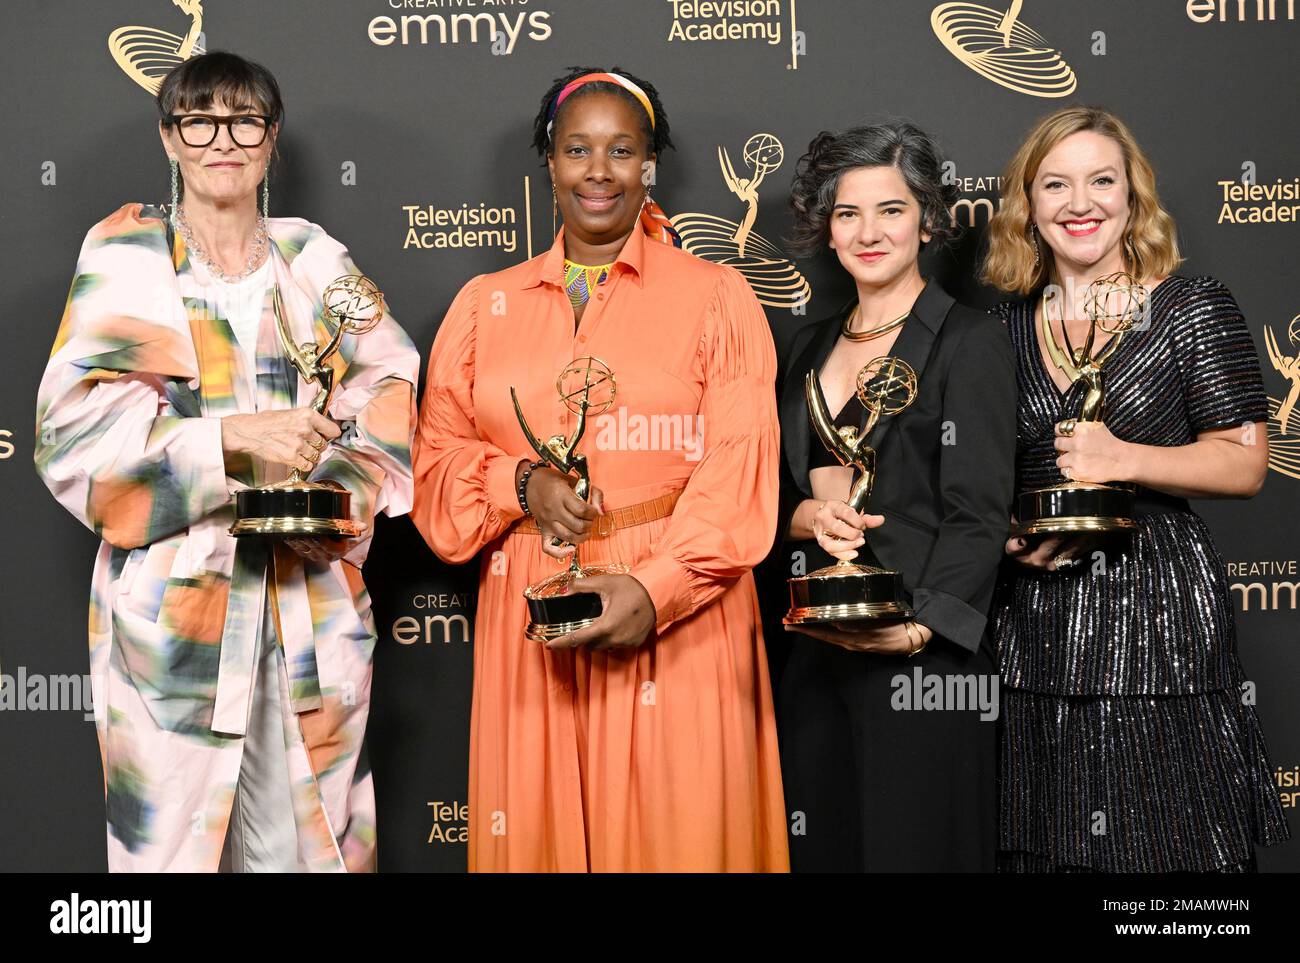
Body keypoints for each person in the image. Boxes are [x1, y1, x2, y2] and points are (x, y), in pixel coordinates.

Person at [34, 51, 420, 871]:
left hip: (309, 607)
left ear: (271, 138)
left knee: (307, 848)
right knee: (172, 853)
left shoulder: (312, 258)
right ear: (170, 138)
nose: (223, 140)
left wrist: (335, 503)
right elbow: (71, 437)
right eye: (199, 121)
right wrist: (234, 438)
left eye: (245, 120)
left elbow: (391, 380)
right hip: (179, 613)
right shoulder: (131, 252)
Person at [409, 67, 788, 871]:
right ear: (547, 161)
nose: (598, 170)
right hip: (533, 619)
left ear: (650, 165)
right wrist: (519, 482)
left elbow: (738, 471)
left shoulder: (717, 295)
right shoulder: (484, 305)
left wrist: (656, 591)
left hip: (679, 620)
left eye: (623, 150)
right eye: (577, 148)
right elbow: (436, 474)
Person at [984, 105, 1289, 872]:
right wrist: (1003, 536)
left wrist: (1122, 455)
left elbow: (1245, 461)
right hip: (1039, 622)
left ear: (1132, 197)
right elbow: (973, 475)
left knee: (1172, 848)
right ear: (1028, 203)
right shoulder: (1002, 326)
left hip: (1158, 619)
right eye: (1056, 183)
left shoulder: (1190, 306)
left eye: (1101, 181)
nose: (1079, 203)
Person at [764, 123, 1016, 871]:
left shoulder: (968, 340)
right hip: (816, 648)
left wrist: (918, 631)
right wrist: (803, 516)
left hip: (924, 661)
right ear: (826, 228)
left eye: (892, 209)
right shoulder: (804, 346)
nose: (869, 231)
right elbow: (776, 491)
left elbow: (979, 510)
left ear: (929, 220)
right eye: (848, 213)